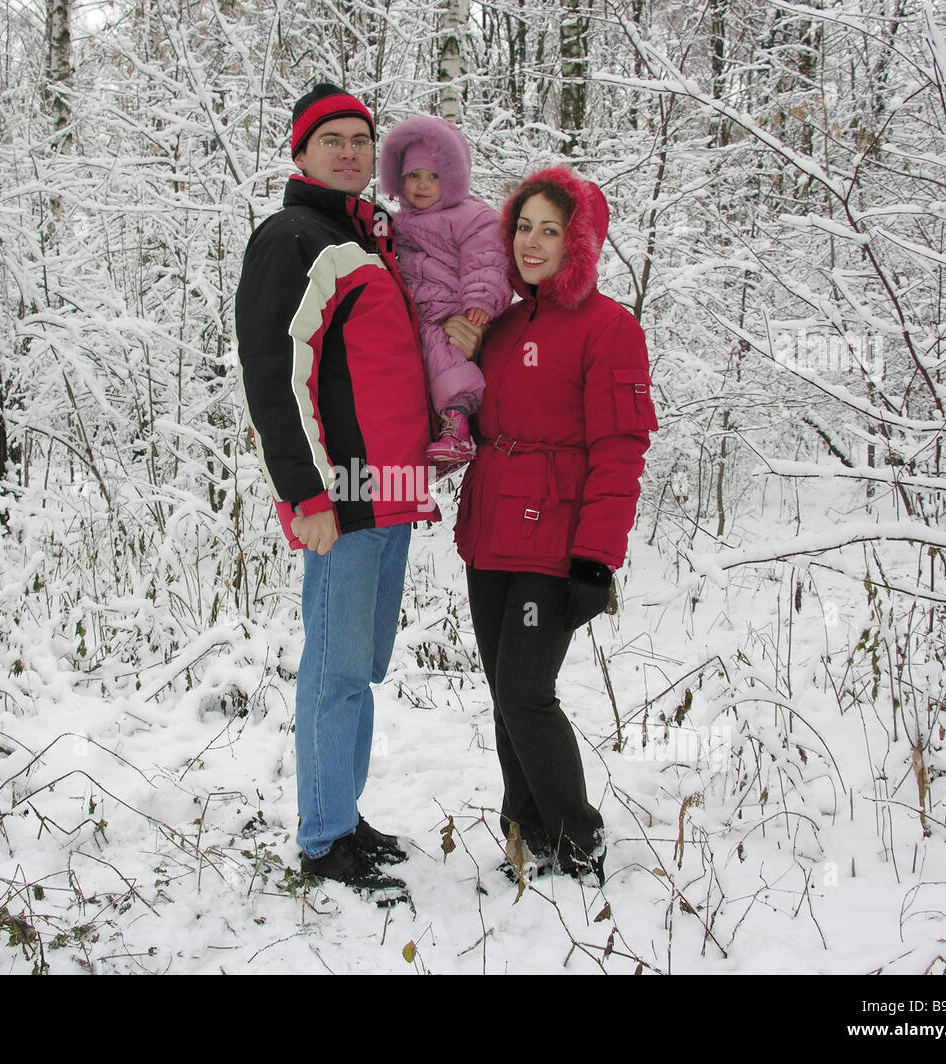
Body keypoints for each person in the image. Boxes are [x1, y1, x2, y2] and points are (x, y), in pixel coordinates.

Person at [234, 84, 436, 903]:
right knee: (334, 669)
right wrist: (304, 493)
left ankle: (344, 818)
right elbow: (274, 374)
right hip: (344, 498)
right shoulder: (293, 237)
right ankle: (322, 841)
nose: (350, 152)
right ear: (300, 152)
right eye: (332, 140)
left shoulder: (363, 237)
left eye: (361, 139)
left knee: (360, 667)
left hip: (390, 493)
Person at [452, 166, 659, 886]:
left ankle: (579, 837)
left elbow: (620, 447)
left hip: (556, 541)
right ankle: (527, 830)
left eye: (552, 230)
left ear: (579, 243)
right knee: (503, 694)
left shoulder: (609, 327)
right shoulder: (502, 326)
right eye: (524, 226)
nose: (533, 243)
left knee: (525, 693)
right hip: (490, 536)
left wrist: (596, 561)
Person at [378, 116, 513, 471]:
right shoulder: (398, 221)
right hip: (419, 312)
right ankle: (437, 439)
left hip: (453, 309)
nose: (422, 185)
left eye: (434, 176)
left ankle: (457, 426)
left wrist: (480, 299)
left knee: (444, 351)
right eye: (413, 176)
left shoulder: (470, 215)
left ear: (452, 178)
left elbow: (486, 259)